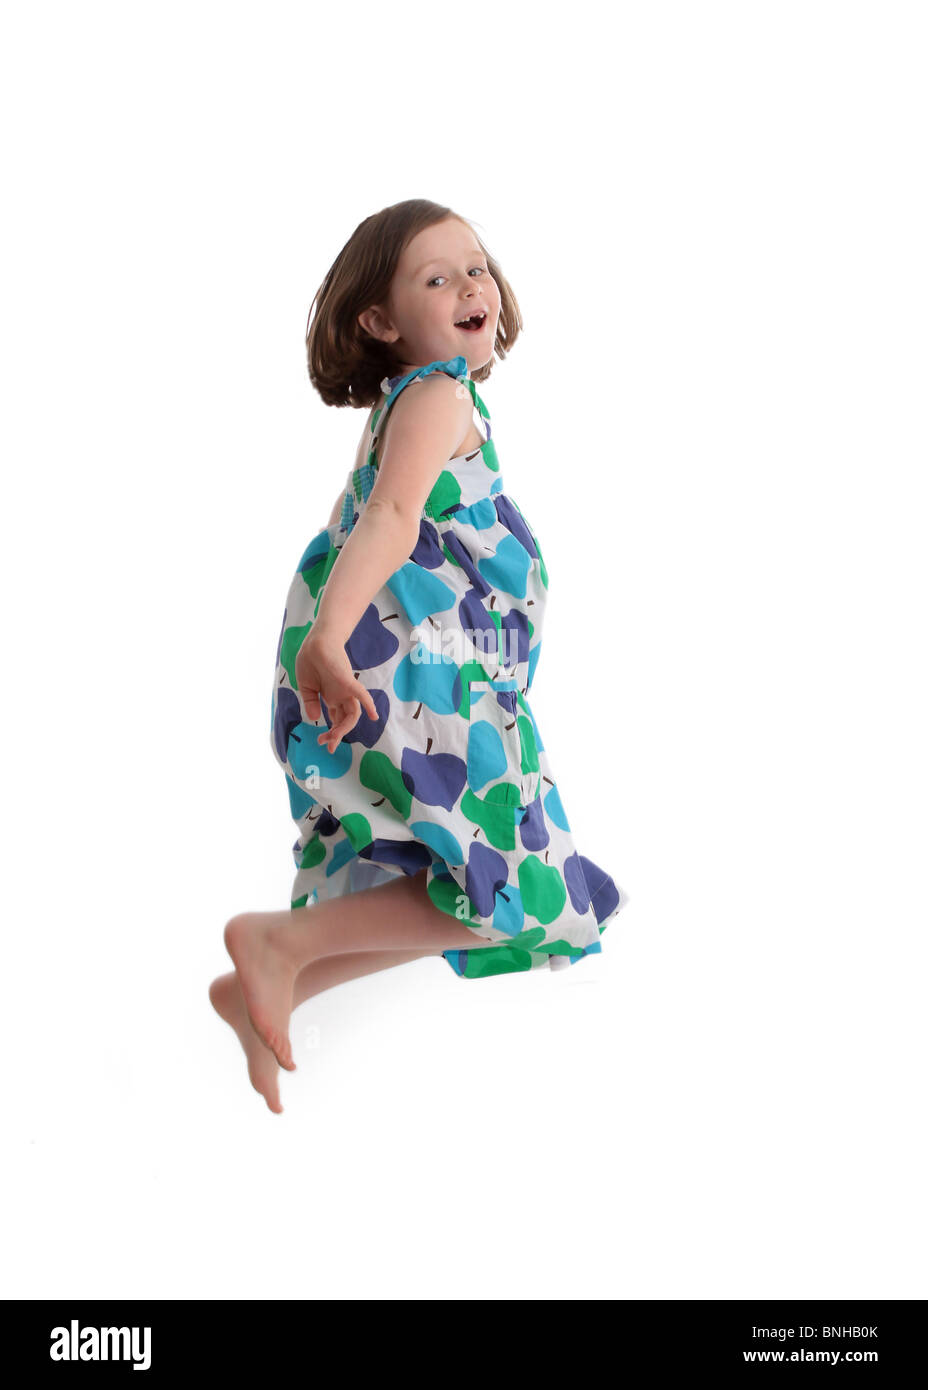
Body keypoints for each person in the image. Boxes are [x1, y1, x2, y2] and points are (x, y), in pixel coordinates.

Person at [210, 199, 627, 1112]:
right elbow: (390, 521)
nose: (470, 285)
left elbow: (366, 523)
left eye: (476, 266)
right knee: (519, 886)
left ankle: (271, 983)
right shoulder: (437, 393)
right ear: (382, 321)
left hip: (432, 661)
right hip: (424, 667)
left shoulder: (422, 399)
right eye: (436, 278)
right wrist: (328, 637)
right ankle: (279, 948)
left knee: (479, 879)